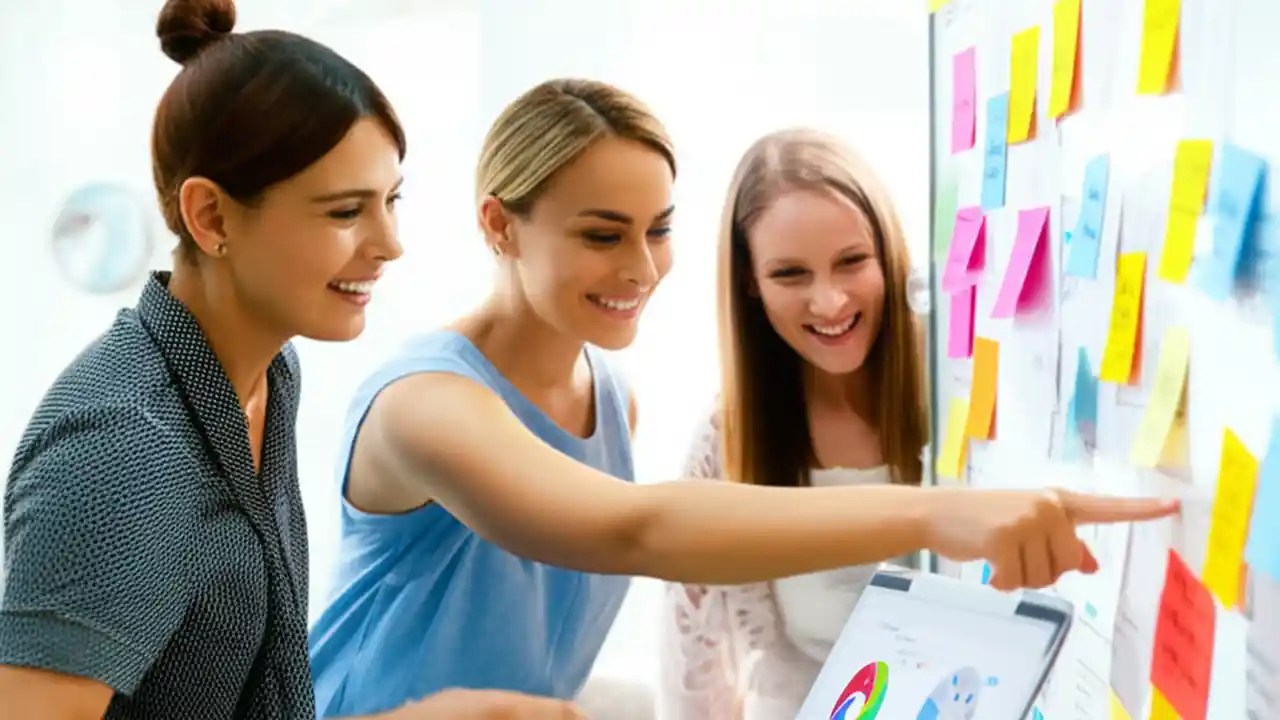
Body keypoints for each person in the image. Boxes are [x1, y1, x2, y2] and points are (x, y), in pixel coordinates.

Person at [306, 77, 1178, 717]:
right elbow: (636, 530)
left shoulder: (611, 396)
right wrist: (940, 515)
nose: (642, 269)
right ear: (499, 225)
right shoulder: (426, 403)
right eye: (603, 235)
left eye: (659, 229)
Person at [0, 1, 581, 719]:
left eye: (391, 200)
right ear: (210, 217)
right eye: (344, 212)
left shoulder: (268, 376)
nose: (389, 242)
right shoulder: (122, 450)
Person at [657, 128, 954, 718]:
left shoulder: (957, 391)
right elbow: (692, 674)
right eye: (791, 274)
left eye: (852, 262)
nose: (830, 302)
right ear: (750, 282)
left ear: (889, 255)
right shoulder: (728, 441)